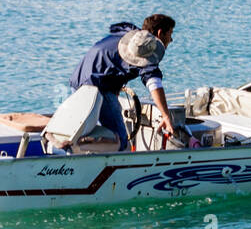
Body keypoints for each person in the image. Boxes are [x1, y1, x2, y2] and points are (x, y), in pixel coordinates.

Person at [67, 13, 176, 151]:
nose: (171, 39)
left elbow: (111, 62)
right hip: (98, 88)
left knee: (87, 127)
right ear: (160, 33)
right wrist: (166, 116)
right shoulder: (145, 49)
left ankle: (80, 148)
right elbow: (154, 84)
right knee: (120, 141)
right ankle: (75, 145)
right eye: (170, 34)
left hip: (78, 80)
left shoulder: (128, 34)